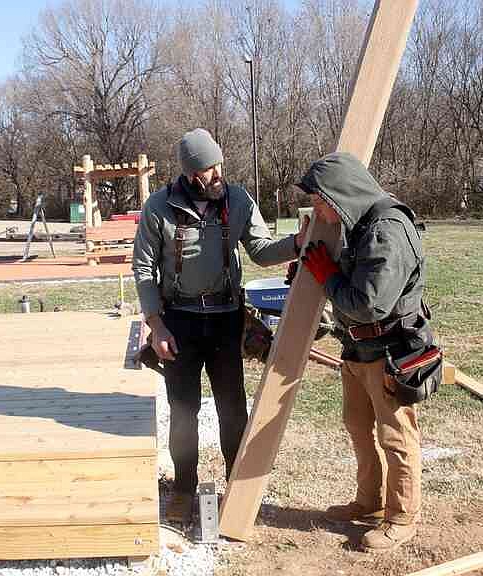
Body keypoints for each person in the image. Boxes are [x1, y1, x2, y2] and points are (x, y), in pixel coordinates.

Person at [132, 128, 306, 523]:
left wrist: (297, 243)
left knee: (232, 408)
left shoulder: (239, 199)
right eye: (208, 170)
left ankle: (237, 486)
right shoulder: (158, 207)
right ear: (191, 174)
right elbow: (143, 269)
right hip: (179, 322)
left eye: (218, 166)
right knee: (183, 410)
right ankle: (182, 487)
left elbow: (261, 250)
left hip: (227, 319)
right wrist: (156, 326)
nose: (217, 175)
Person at [297, 152, 435, 552]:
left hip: (390, 349)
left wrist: (327, 277)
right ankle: (369, 501)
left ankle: (402, 517)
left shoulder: (388, 230)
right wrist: (315, 269)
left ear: (340, 193)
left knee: (396, 436)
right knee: (358, 427)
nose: (318, 209)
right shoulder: (359, 225)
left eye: (321, 200)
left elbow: (368, 303)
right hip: (359, 349)